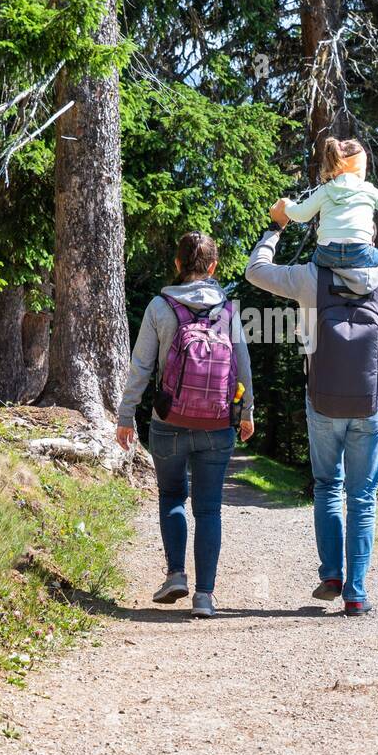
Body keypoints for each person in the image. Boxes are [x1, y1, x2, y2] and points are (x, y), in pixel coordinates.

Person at [244, 207, 378, 616]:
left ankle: (331, 576)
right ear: (370, 239)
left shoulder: (308, 278)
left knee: (327, 486)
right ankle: (356, 593)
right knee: (362, 497)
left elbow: (256, 270)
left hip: (321, 400)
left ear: (325, 236)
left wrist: (277, 226)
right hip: (371, 403)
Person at [116, 231, 254, 619]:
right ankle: (205, 597)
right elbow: (242, 364)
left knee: (172, 496)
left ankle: (176, 574)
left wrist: (126, 416)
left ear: (177, 265)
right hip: (217, 424)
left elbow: (141, 366)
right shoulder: (228, 310)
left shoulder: (160, 307)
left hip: (168, 421)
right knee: (208, 510)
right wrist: (247, 413)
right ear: (212, 268)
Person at [269, 136, 378, 272]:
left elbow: (301, 215)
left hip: (326, 253)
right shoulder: (367, 189)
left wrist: (286, 204)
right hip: (360, 251)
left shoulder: (325, 190)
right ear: (358, 167)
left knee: (315, 265)